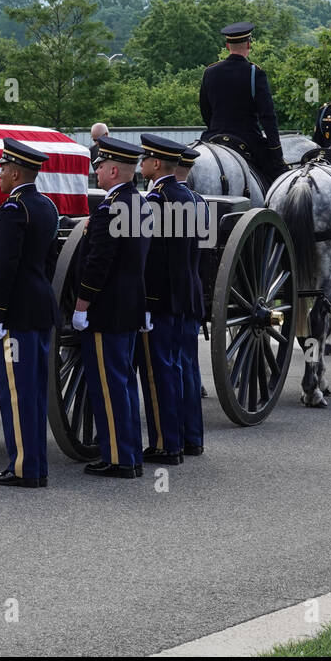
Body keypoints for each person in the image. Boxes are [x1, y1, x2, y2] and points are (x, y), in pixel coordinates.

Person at [73, 136, 150, 478]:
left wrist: (81, 304)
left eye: (101, 165)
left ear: (115, 170)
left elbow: (98, 264)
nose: (97, 170)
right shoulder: (141, 205)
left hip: (106, 310)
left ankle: (118, 459)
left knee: (109, 384)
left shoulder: (108, 210)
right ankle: (129, 454)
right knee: (123, 383)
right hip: (130, 306)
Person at [0, 138, 59, 488]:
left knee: (15, 392)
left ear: (15, 173)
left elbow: (5, 266)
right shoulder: (46, 206)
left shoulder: (13, 210)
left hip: (16, 315)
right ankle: (36, 464)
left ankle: (23, 468)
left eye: (2, 168)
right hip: (41, 309)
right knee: (33, 391)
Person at [134, 135, 201, 465]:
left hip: (158, 300)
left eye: (145, 158)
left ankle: (165, 444)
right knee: (177, 368)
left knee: (158, 373)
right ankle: (189, 439)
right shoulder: (189, 197)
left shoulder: (155, 202)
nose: (142, 164)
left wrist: (145, 302)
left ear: (157, 164)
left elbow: (149, 260)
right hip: (183, 297)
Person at [199, 21, 286, 187]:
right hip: (247, 139)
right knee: (279, 183)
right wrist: (276, 152)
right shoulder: (255, 73)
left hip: (213, 137)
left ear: (227, 46)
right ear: (249, 44)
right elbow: (267, 117)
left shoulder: (209, 72)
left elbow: (206, 111)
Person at [175, 146, 211, 424]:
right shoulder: (199, 202)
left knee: (171, 367)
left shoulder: (163, 201)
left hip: (169, 298)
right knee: (187, 363)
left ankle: (172, 439)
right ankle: (192, 435)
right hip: (193, 291)